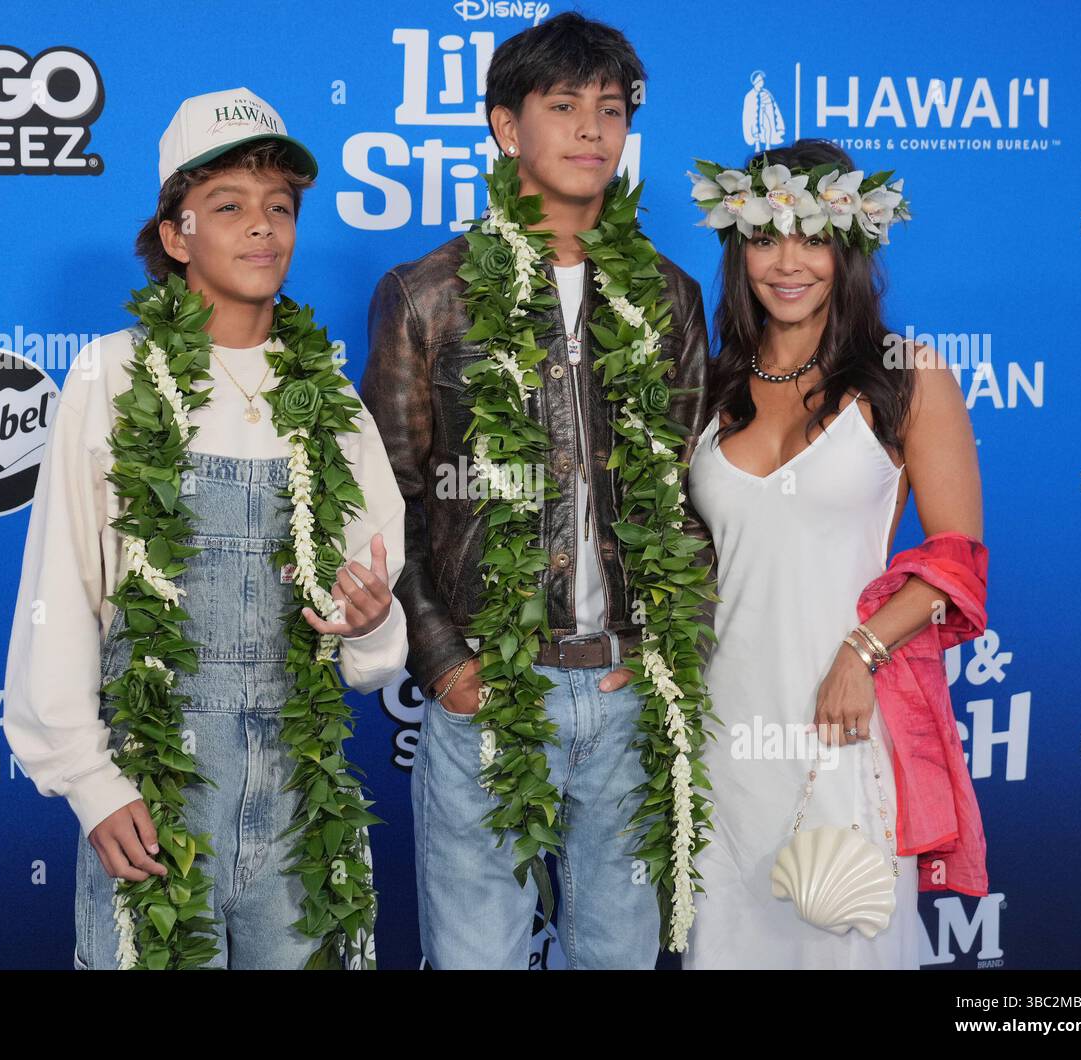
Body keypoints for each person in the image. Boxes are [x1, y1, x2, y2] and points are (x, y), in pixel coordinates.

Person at [3, 88, 408, 969]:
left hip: (305, 796)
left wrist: (372, 622)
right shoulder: (114, 376)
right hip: (155, 786)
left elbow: (375, 627)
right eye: (228, 207)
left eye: (279, 208)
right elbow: (60, 588)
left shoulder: (329, 397)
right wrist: (91, 783)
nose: (261, 228)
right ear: (178, 233)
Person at [361, 13, 714, 969]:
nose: (593, 129)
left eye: (611, 109)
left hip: (629, 686)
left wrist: (661, 649)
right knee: (477, 955)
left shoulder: (670, 296)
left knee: (623, 953)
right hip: (488, 687)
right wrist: (446, 666)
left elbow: (690, 492)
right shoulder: (425, 292)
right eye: (564, 107)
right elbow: (383, 501)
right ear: (507, 127)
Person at [683, 138, 986, 968]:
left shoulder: (907, 379)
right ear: (738, 247)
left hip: (846, 717)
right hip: (725, 728)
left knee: (847, 939)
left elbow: (956, 562)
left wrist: (862, 651)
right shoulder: (708, 388)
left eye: (813, 237)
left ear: (848, 249)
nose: (789, 262)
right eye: (766, 237)